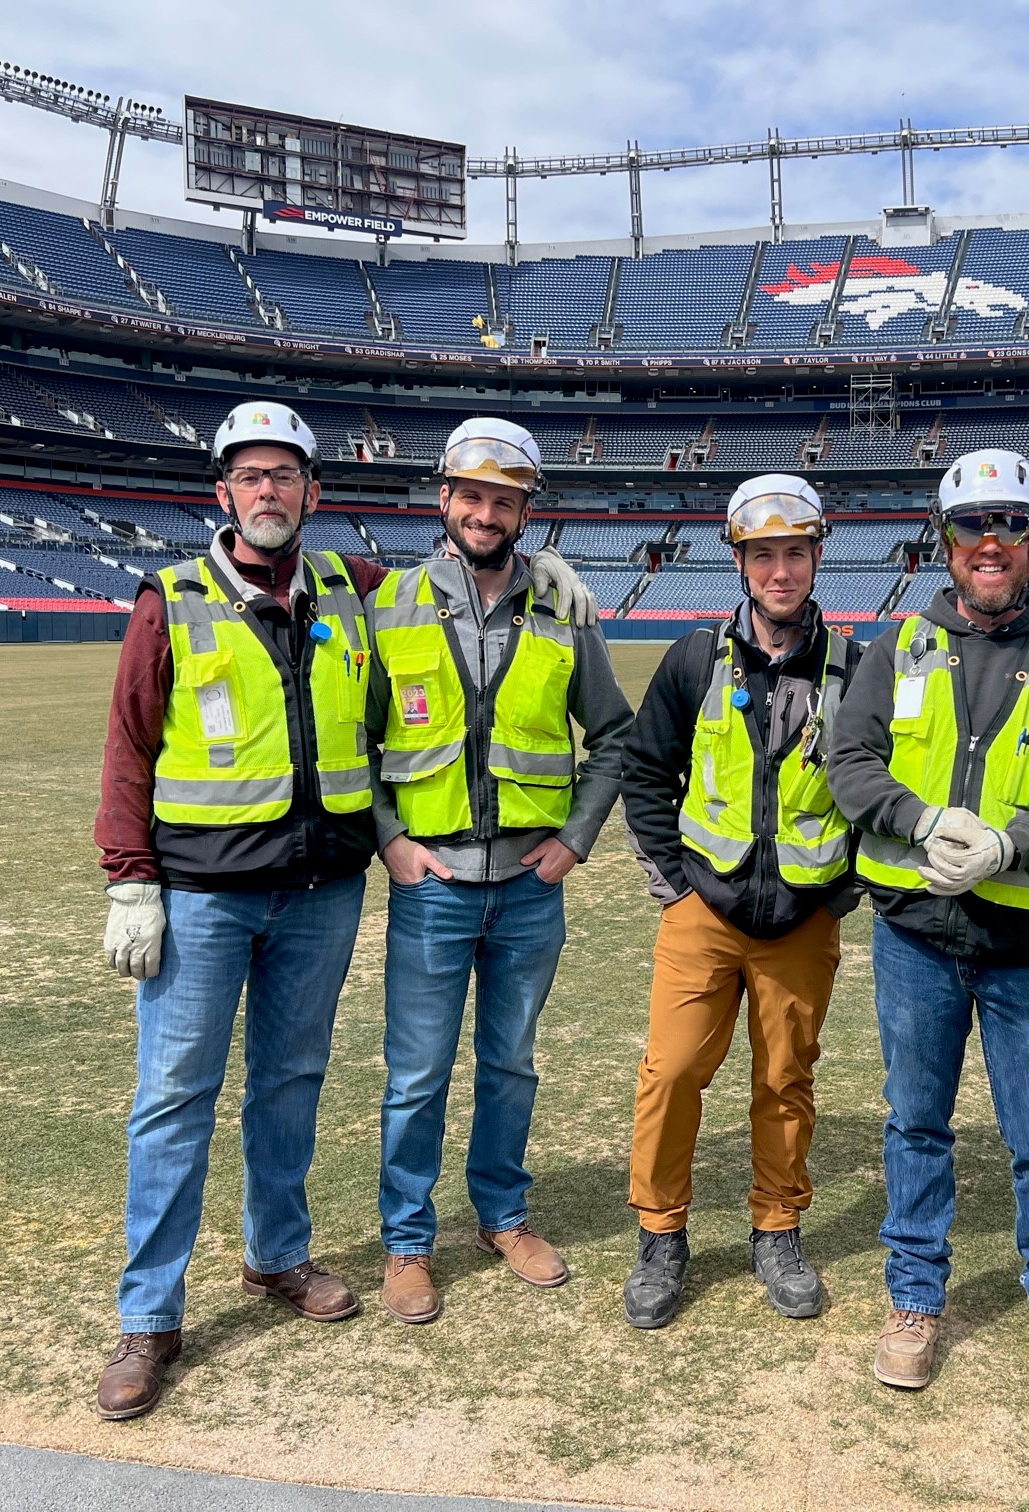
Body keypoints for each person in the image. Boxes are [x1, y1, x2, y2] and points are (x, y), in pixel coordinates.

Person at [92, 401, 382, 1421]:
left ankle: (277, 1257)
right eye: (249, 476)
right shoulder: (169, 601)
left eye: (285, 475)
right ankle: (149, 1318)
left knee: (290, 1084)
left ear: (313, 492)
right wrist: (128, 876)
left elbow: (459, 588)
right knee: (175, 1099)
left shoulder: (353, 589)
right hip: (203, 900)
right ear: (222, 494)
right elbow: (130, 746)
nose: (268, 491)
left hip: (323, 891)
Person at [827, 449, 1029, 1408]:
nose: (989, 545)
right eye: (970, 529)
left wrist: (1009, 844)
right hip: (916, 934)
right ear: (943, 540)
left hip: (1027, 943)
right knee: (917, 1125)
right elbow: (851, 763)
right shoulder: (899, 645)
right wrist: (920, 823)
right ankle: (914, 1303)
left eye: (1009, 528)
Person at [366, 416, 633, 1325]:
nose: (486, 513)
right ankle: (408, 1242)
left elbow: (616, 739)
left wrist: (579, 839)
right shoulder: (389, 604)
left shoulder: (566, 611)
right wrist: (391, 839)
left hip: (528, 886)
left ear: (528, 511)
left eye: (505, 500)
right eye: (472, 496)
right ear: (443, 500)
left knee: (510, 1064)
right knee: (417, 1073)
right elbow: (352, 741)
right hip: (432, 886)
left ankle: (503, 1216)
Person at [618, 475, 857, 1329]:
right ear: (741, 562)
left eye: (796, 552)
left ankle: (777, 1225)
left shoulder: (855, 669)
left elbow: (879, 787)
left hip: (802, 919)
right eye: (764, 555)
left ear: (818, 556)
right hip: (703, 912)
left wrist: (842, 891)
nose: (781, 570)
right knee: (673, 1071)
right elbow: (645, 770)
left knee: (786, 1077)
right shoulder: (694, 658)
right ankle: (661, 1233)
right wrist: (676, 884)